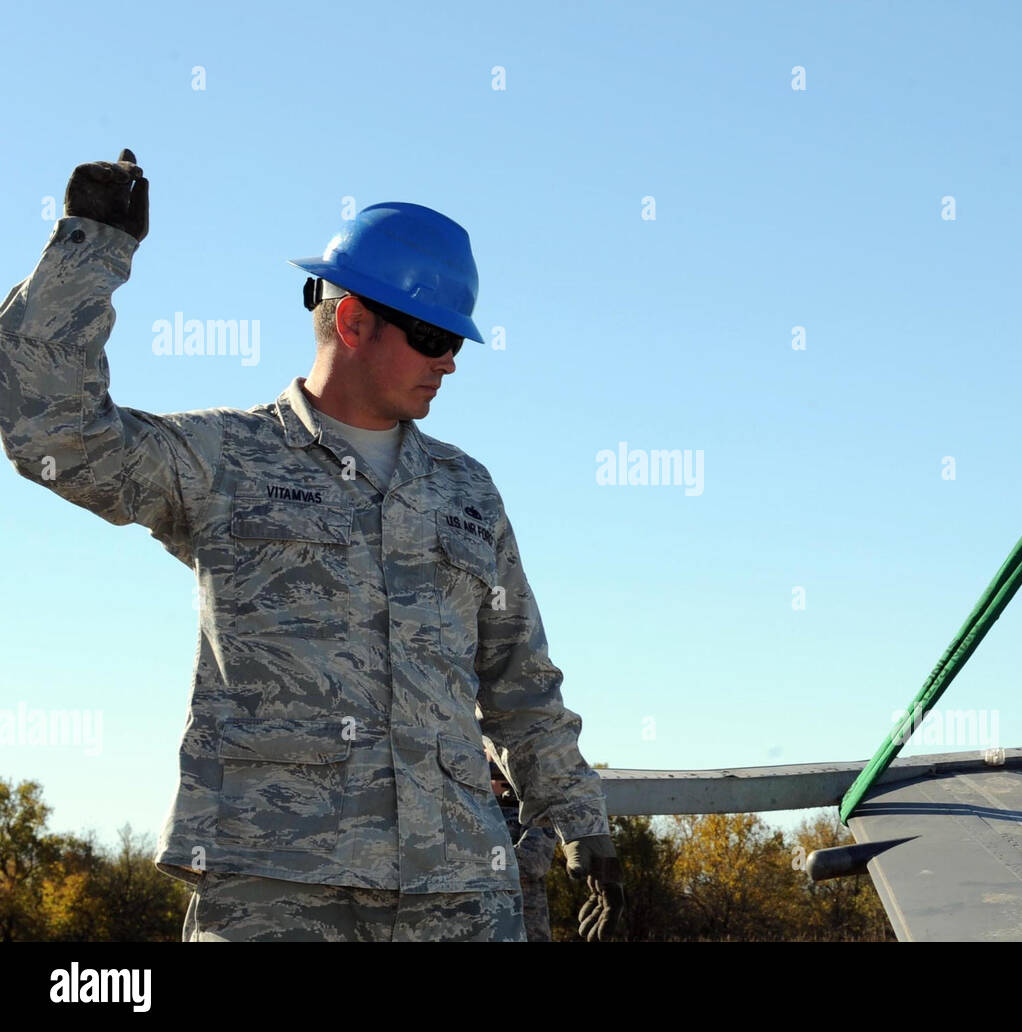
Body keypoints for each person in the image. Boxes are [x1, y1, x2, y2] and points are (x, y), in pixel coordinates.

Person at [0, 149, 624, 941]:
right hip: (277, 889)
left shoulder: (467, 491)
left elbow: (520, 684)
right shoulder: (226, 460)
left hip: (458, 892)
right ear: (354, 320)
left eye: (456, 342)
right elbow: (56, 435)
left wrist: (580, 823)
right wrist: (91, 248)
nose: (449, 361)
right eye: (432, 334)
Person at [489, 751, 559, 941]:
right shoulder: (472, 808)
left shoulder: (535, 808)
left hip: (525, 928)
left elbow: (532, 862)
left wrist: (476, 860)